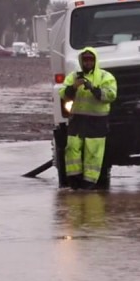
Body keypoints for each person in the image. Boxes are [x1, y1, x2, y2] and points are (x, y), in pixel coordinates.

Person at [59, 47, 117, 189]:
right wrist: (73, 87)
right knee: (72, 148)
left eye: (91, 59)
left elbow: (111, 95)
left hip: (97, 122)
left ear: (95, 60)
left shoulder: (105, 77)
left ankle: (90, 183)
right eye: (85, 59)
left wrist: (94, 89)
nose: (88, 62)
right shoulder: (73, 77)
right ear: (81, 61)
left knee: (94, 152)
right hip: (77, 120)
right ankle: (74, 180)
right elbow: (63, 93)